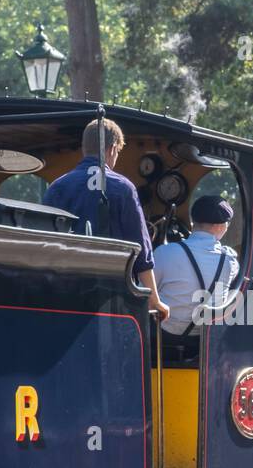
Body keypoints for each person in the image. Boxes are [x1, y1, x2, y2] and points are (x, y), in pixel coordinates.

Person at [43, 118, 168, 321]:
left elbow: (46, 242)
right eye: (117, 153)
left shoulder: (57, 187)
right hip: (113, 298)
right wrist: (154, 300)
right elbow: (140, 249)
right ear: (111, 149)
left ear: (85, 148)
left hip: (67, 296)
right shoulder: (124, 188)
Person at [152, 195, 240, 344]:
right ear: (221, 227)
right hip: (206, 343)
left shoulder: (163, 252)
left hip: (164, 338)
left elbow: (146, 294)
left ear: (194, 222)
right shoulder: (230, 261)